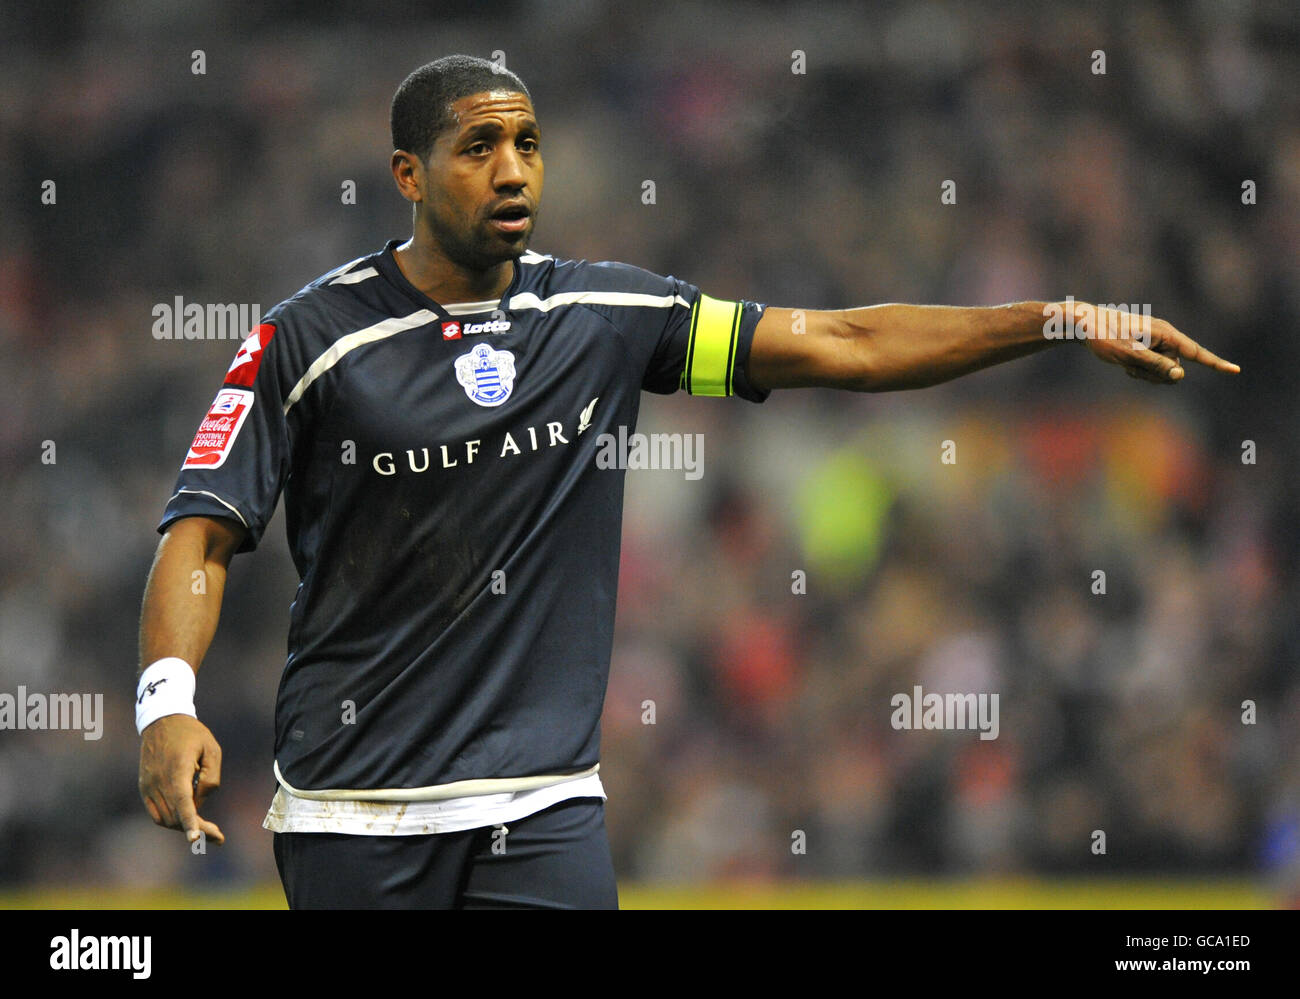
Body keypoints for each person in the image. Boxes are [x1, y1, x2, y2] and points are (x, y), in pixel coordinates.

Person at [136, 54, 1240, 909]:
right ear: (409, 175)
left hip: (542, 805)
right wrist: (167, 703)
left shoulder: (608, 320)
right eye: (479, 147)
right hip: (350, 812)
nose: (514, 168)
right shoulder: (309, 337)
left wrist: (1051, 319)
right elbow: (203, 526)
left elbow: (846, 343)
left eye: (528, 142)